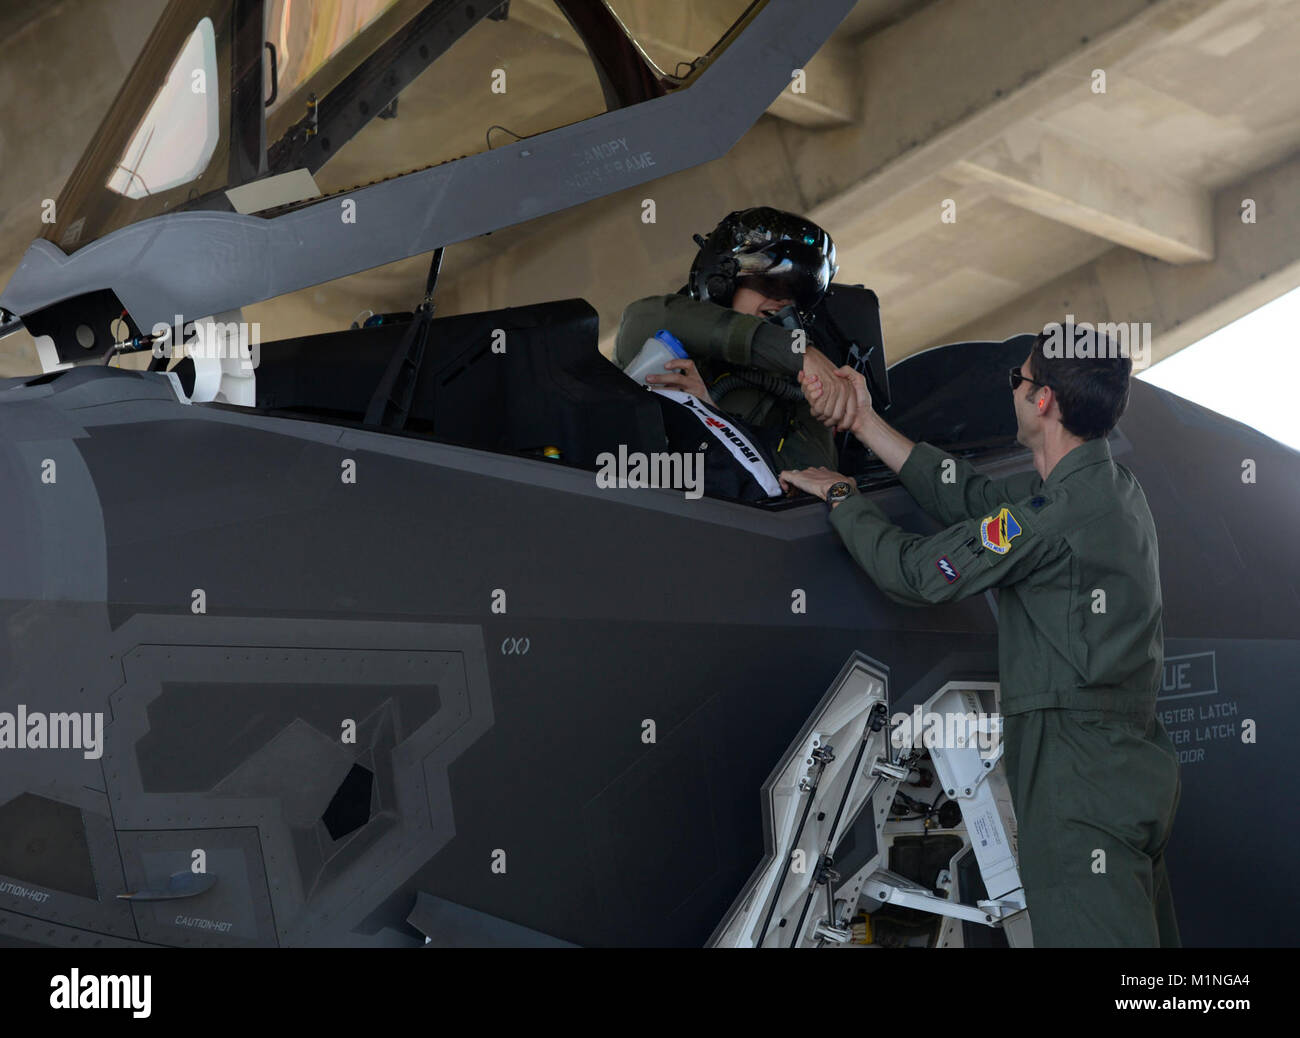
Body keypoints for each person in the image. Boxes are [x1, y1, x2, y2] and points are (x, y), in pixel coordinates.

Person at [779, 330, 1181, 948]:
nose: (1013, 392)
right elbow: (977, 500)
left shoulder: (1050, 520)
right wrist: (863, 422)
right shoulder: (1113, 492)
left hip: (1073, 778)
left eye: (1018, 382)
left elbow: (916, 574)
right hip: (1126, 770)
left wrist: (843, 498)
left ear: (1043, 400)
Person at [612, 207, 860, 471]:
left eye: (798, 297)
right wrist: (800, 354)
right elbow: (642, 317)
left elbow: (812, 482)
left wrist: (713, 419)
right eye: (771, 285)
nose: (782, 303)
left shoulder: (798, 388)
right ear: (722, 283)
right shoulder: (666, 329)